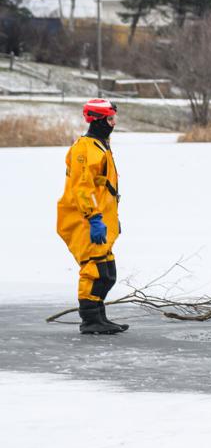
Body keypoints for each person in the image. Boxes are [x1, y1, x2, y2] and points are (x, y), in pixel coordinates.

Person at [56, 99, 127, 335]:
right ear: (97, 121)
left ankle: (100, 316)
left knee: (107, 273)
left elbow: (104, 188)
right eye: (110, 119)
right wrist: (94, 218)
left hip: (101, 218)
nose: (114, 124)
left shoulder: (101, 145)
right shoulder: (84, 149)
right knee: (94, 270)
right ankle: (90, 320)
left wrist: (110, 218)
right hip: (84, 219)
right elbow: (82, 188)